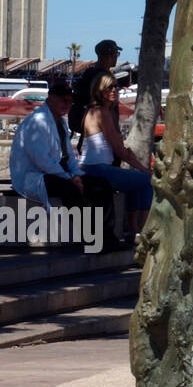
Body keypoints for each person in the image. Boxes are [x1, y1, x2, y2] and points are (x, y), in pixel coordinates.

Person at [10, 79, 117, 249]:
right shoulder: (37, 121)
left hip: (58, 173)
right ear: (50, 99)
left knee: (102, 185)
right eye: (63, 100)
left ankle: (108, 238)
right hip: (35, 176)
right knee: (71, 190)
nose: (67, 104)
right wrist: (70, 178)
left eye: (70, 101)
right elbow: (42, 161)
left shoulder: (60, 122)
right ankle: (92, 240)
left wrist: (76, 175)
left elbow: (68, 157)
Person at [80, 71, 154, 238]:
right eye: (109, 87)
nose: (114, 90)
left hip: (92, 168)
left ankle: (136, 230)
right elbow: (120, 151)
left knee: (137, 180)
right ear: (99, 91)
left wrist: (139, 166)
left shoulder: (96, 111)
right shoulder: (101, 113)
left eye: (116, 86)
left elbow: (123, 150)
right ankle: (142, 230)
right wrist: (145, 170)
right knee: (147, 181)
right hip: (97, 169)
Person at [70, 39, 121, 135]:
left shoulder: (88, 73)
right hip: (103, 128)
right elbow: (110, 107)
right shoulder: (106, 78)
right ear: (111, 55)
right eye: (116, 54)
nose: (116, 57)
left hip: (89, 127)